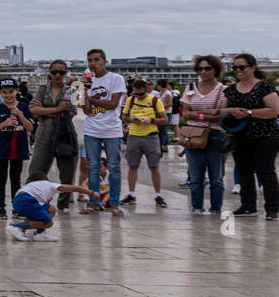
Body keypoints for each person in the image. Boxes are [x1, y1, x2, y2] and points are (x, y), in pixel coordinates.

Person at [221, 53, 279, 219]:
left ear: (253, 67)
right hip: (240, 137)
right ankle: (248, 206)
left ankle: (273, 208)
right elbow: (223, 110)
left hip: (265, 136)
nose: (238, 70)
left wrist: (248, 113)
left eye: (242, 67)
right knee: (244, 171)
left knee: (266, 171)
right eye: (235, 67)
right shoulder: (231, 90)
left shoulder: (264, 87)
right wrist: (231, 112)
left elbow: (274, 110)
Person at [178, 55, 228, 215]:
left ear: (215, 69)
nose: (203, 71)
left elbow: (220, 115)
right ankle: (197, 207)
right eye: (200, 69)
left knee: (216, 177)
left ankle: (216, 208)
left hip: (216, 135)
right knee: (195, 176)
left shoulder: (223, 90)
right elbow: (186, 113)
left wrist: (197, 115)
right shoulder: (191, 87)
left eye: (207, 68)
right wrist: (206, 115)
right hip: (193, 136)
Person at [28, 61, 80, 208]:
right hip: (44, 133)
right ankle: (32, 202)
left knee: (67, 173)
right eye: (55, 72)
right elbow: (32, 109)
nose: (57, 75)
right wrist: (58, 109)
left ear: (66, 73)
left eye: (61, 72)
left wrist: (45, 110)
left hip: (65, 134)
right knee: (36, 170)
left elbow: (71, 112)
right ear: (50, 72)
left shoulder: (71, 90)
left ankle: (63, 205)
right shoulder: (42, 89)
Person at [81, 48, 127, 216]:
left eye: (96, 60)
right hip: (91, 128)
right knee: (92, 167)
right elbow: (86, 110)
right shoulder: (87, 82)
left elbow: (113, 104)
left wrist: (90, 98)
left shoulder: (116, 79)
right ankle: (93, 202)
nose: (93, 63)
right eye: (90, 60)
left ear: (104, 61)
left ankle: (114, 203)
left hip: (111, 130)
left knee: (114, 167)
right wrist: (82, 93)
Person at [0, 78, 33, 219]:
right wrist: (5, 123)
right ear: (0, 93)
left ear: (17, 91)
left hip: (18, 148)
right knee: (1, 178)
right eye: (5, 92)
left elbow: (30, 127)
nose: (8, 95)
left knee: (16, 179)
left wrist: (19, 114)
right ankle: (0, 207)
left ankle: (17, 206)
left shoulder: (24, 107)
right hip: (1, 149)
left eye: (11, 92)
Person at [119, 78, 167, 208]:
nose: (138, 96)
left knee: (154, 166)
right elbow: (123, 117)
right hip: (133, 136)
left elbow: (164, 119)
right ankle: (131, 194)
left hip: (151, 136)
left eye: (141, 94)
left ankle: (158, 195)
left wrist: (151, 120)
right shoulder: (131, 100)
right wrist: (131, 119)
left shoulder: (155, 100)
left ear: (147, 90)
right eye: (135, 93)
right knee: (132, 166)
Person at [7, 180, 95, 242]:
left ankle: (40, 234)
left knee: (51, 209)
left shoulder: (34, 187)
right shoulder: (52, 186)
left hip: (18, 200)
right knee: (48, 223)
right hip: (26, 200)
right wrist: (92, 193)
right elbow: (75, 188)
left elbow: (32, 214)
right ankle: (16, 227)